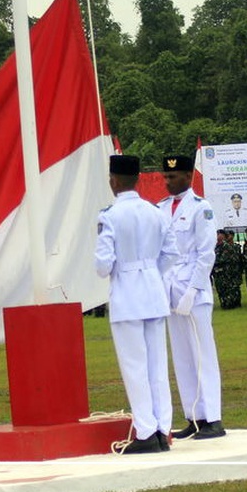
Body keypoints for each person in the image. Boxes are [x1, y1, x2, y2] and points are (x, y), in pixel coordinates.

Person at [94, 155, 178, 453]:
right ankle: (161, 429)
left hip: (128, 296)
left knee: (135, 367)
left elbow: (103, 266)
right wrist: (151, 272)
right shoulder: (155, 212)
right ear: (139, 179)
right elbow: (171, 254)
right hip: (154, 293)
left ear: (113, 181)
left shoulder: (109, 216)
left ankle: (145, 432)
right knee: (157, 365)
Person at [156, 155, 226, 441]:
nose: (168, 181)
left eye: (173, 177)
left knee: (202, 354)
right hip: (170, 289)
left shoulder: (201, 208)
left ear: (188, 176)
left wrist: (195, 289)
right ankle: (194, 417)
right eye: (166, 177)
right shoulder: (160, 208)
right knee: (182, 357)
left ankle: (213, 418)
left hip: (193, 292)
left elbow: (205, 252)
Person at [212, 229, 243, 310]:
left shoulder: (226, 246)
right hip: (217, 272)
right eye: (217, 234)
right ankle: (224, 303)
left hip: (226, 272)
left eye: (220, 234)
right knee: (220, 288)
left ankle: (229, 303)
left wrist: (213, 262)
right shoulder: (215, 246)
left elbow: (223, 259)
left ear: (223, 236)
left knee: (228, 288)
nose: (218, 236)